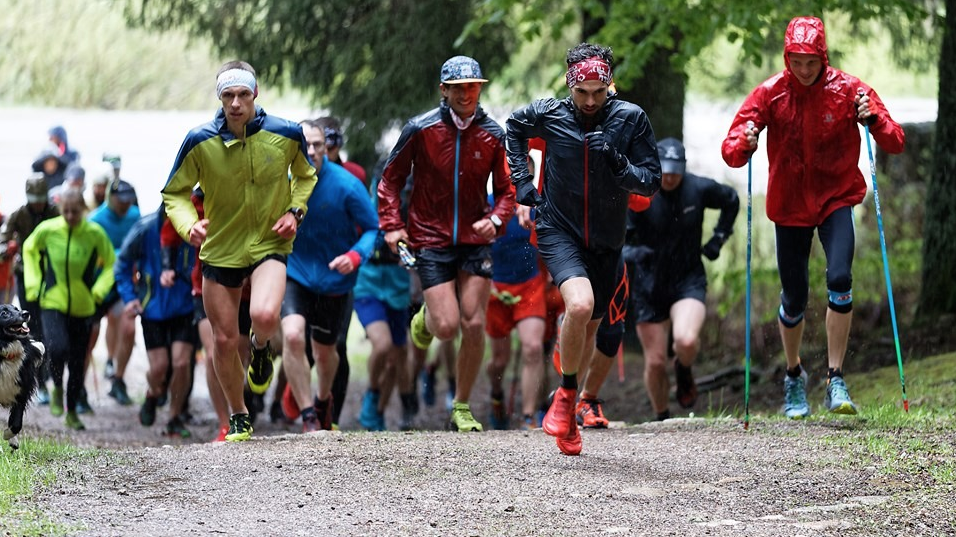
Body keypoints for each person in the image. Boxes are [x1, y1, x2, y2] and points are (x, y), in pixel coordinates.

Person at [721, 16, 905, 418]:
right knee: (795, 297)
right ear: (787, 58)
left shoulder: (849, 90)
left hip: (836, 198)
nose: (804, 69)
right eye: (796, 61)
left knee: (840, 278)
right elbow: (731, 153)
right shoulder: (770, 93)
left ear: (823, 56)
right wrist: (746, 140)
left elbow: (895, 141)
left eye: (811, 61)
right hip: (789, 206)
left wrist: (871, 117)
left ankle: (835, 378)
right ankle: (793, 375)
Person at [506, 42, 661, 455]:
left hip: (608, 240)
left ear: (609, 83)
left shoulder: (631, 119)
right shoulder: (550, 113)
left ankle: (570, 411)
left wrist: (619, 164)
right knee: (578, 306)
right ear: (569, 85)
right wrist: (521, 180)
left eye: (598, 91)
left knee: (591, 323)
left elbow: (650, 181)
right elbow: (514, 128)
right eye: (582, 93)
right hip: (559, 228)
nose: (590, 101)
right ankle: (565, 395)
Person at [162, 60, 317, 442]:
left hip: (270, 240)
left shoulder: (286, 133)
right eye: (228, 95)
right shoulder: (199, 141)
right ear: (219, 97)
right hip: (221, 248)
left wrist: (295, 212)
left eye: (242, 94)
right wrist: (188, 225)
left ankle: (261, 347)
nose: (235, 103)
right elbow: (175, 193)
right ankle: (239, 414)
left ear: (255, 93)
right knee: (223, 339)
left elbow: (306, 175)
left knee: (264, 314)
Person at [378, 55, 515, 433]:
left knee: (473, 324)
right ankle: (425, 318)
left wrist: (497, 219)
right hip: (430, 237)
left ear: (480, 89)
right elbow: (390, 181)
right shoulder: (420, 129)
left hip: (475, 238)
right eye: (458, 88)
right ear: (445, 91)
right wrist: (392, 225)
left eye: (472, 87)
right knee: (446, 326)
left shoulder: (494, 134)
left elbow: (508, 190)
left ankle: (462, 406)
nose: (466, 94)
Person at [627, 137, 739, 421]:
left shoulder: (697, 188)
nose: (670, 176)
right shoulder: (640, 193)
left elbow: (731, 200)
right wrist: (633, 253)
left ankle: (684, 368)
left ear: (684, 168)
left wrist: (719, 238)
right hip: (649, 284)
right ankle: (662, 416)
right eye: (664, 169)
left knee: (686, 341)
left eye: (675, 170)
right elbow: (617, 240)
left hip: (687, 279)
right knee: (654, 362)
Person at [279, 120, 377, 432]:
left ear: (327, 148)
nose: (311, 151)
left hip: (334, 279)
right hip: (295, 272)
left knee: (326, 351)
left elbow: (374, 229)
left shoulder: (347, 185)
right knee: (293, 335)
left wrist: (355, 255)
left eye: (318, 145)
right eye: (305, 145)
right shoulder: (282, 183)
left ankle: (323, 400)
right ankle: (308, 415)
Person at [22, 188, 115, 431]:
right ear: (61, 209)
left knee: (77, 361)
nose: (71, 216)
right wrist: (33, 282)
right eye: (66, 212)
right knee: (57, 347)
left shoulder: (94, 233)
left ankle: (72, 410)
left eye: (75, 212)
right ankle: (56, 388)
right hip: (52, 301)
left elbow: (112, 263)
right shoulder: (49, 229)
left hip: (84, 306)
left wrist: (98, 291)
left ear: (83, 210)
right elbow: (29, 248)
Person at [115, 205, 197, 438]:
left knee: (181, 363)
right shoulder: (144, 228)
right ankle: (153, 393)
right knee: (159, 368)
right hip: (152, 308)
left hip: (185, 305)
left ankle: (174, 417)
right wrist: (130, 298)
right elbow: (122, 264)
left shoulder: (195, 226)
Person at [484, 202, 546, 430]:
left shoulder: (538, 203)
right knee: (500, 361)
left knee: (533, 348)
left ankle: (528, 416)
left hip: (530, 284)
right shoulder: (487, 202)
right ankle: (496, 394)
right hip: (495, 286)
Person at [2, 174, 60, 403]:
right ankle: (38, 380)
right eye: (33, 198)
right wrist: (9, 247)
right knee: (30, 325)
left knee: (48, 328)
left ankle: (48, 379)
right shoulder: (19, 215)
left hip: (49, 274)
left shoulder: (54, 212)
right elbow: (3, 239)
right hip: (25, 274)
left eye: (40, 198)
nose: (37, 202)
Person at [89, 179, 142, 406]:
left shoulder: (134, 215)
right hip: (99, 282)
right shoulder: (96, 220)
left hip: (123, 281)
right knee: (91, 332)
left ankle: (117, 376)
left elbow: (140, 246)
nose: (125, 206)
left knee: (125, 324)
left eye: (128, 201)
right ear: (110, 198)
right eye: (121, 202)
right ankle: (79, 390)